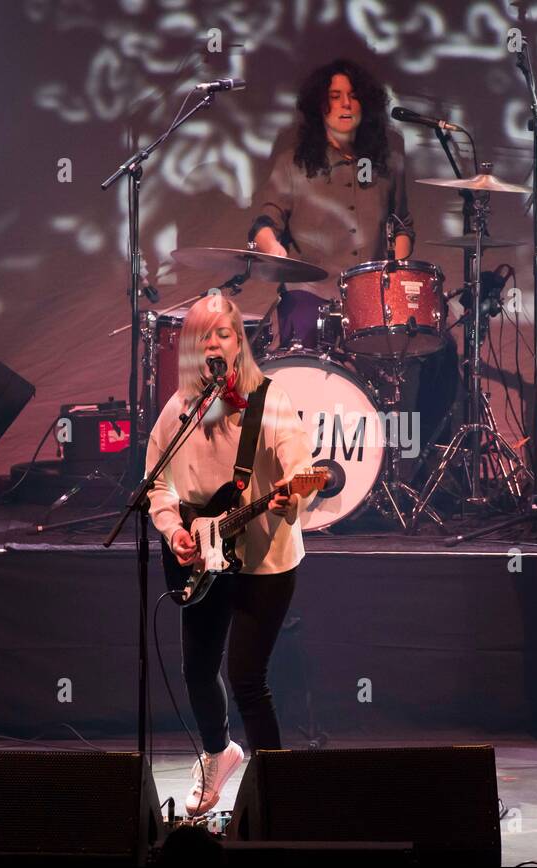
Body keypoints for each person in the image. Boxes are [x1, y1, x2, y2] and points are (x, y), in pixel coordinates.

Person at [145, 294, 315, 815]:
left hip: (263, 559)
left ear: (239, 342)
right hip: (201, 559)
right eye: (204, 336)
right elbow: (158, 486)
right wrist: (174, 529)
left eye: (224, 333)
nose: (214, 343)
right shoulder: (178, 410)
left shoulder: (270, 399)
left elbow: (298, 463)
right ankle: (219, 755)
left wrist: (295, 490)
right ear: (191, 351)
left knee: (247, 678)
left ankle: (278, 797)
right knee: (197, 668)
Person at [249, 58, 414, 349]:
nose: (346, 105)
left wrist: (395, 273)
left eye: (353, 97)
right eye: (335, 98)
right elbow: (264, 223)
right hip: (308, 294)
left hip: (370, 298)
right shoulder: (293, 164)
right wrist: (273, 249)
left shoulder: (387, 165)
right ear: (319, 107)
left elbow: (403, 226)